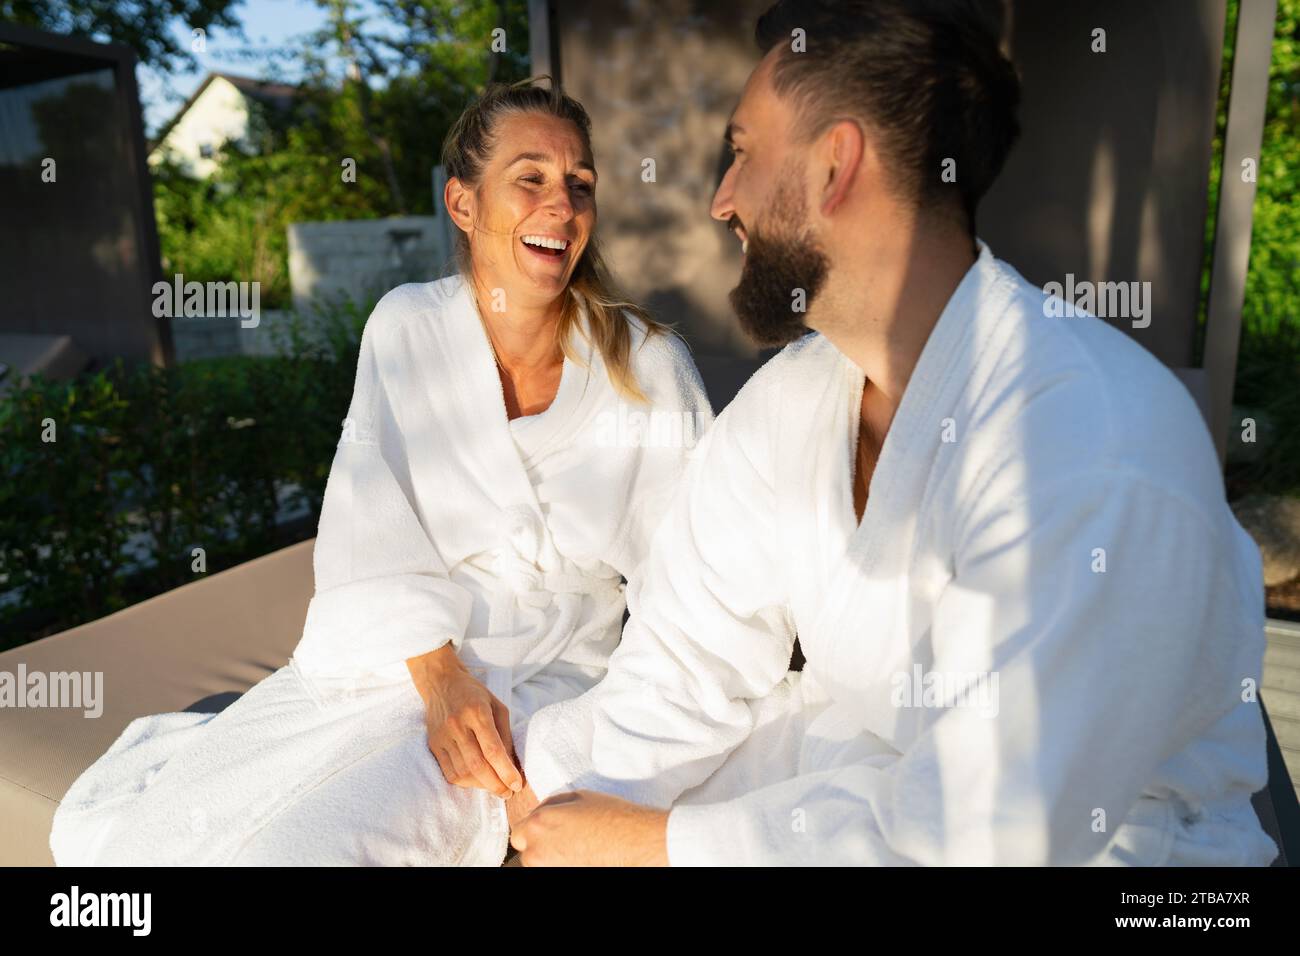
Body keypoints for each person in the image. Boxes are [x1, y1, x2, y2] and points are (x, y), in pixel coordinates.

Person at [507, 0, 1279, 866]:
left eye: (744, 153)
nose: (722, 200)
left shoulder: (1091, 434)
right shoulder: (792, 403)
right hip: (858, 797)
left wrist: (660, 845)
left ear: (836, 163)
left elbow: (993, 833)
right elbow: (685, 665)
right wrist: (540, 801)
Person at [49, 78, 713, 866]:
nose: (561, 206)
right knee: (132, 837)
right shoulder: (408, 327)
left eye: (579, 184)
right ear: (462, 205)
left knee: (294, 852)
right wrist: (439, 679)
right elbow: (370, 523)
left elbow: (698, 583)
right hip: (400, 656)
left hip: (548, 680)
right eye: (529, 178)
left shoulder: (644, 366)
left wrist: (610, 743)